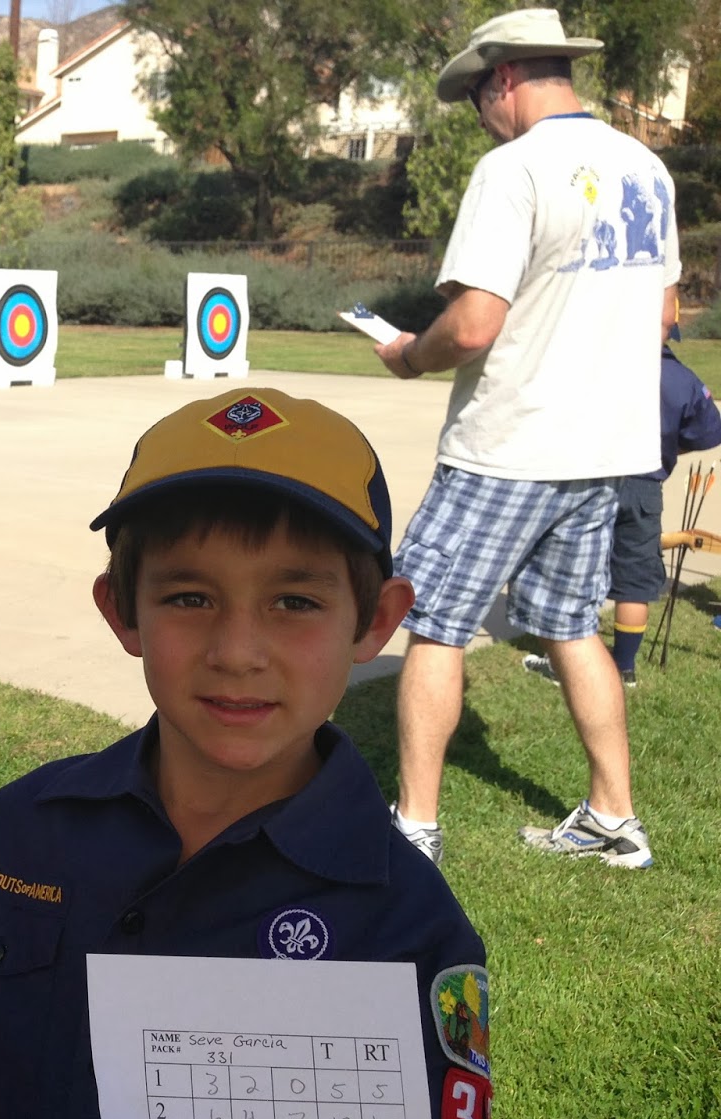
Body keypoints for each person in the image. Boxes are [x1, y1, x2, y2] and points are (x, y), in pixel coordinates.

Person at [0, 389, 491, 1119]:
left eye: (295, 602)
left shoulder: (412, 926)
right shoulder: (15, 837)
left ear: (376, 621)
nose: (238, 650)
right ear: (123, 611)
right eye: (190, 597)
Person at [373, 7, 680, 869]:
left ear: (501, 78)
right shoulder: (648, 168)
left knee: (431, 619)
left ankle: (414, 829)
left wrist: (406, 354)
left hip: (510, 444)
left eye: (476, 96)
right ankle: (614, 817)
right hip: (608, 447)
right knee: (571, 625)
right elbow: (662, 310)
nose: (479, 113)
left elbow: (471, 326)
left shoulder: (511, 169)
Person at [523, 316, 721, 687]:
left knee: (576, 570)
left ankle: (564, 665)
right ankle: (623, 668)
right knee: (634, 579)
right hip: (645, 487)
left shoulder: (597, 365)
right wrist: (669, 449)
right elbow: (708, 431)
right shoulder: (683, 380)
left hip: (590, 481)